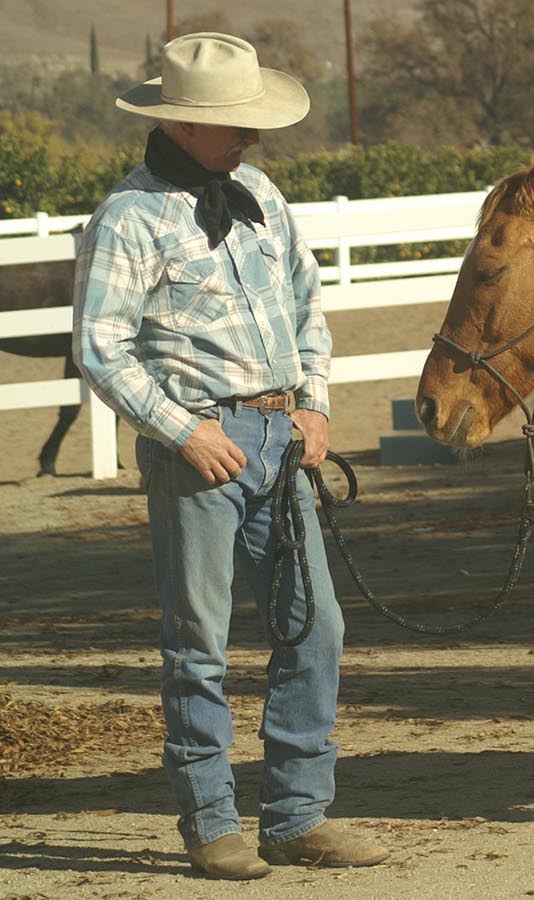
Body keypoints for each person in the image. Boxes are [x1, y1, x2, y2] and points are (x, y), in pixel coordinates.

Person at [72, 32, 388, 880]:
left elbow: (305, 303)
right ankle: (213, 821)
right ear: (182, 125)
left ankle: (296, 816)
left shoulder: (260, 194)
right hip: (199, 451)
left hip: (280, 441)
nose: (251, 137)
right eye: (233, 123)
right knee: (198, 643)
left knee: (315, 623)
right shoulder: (129, 217)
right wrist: (184, 430)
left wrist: (313, 404)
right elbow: (100, 347)